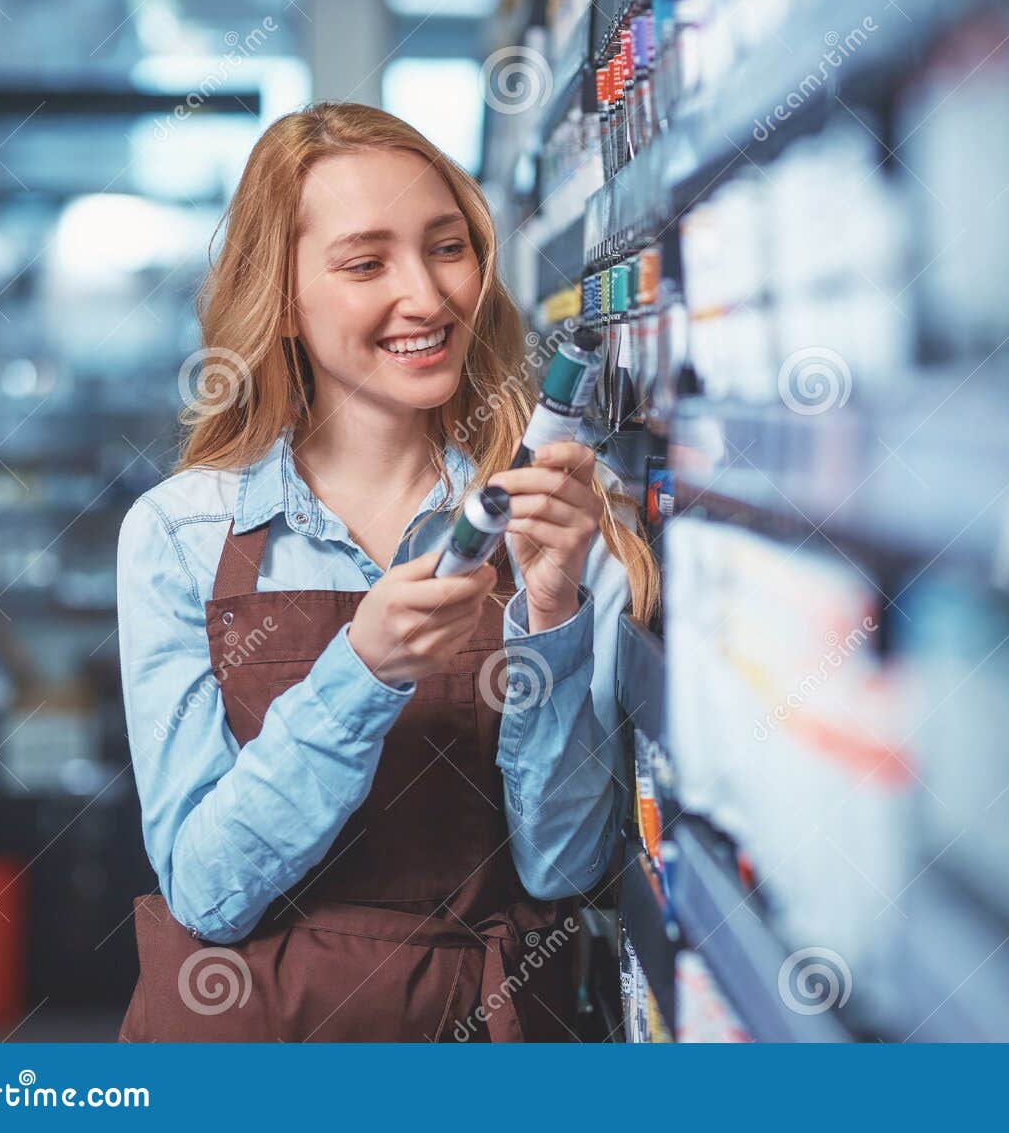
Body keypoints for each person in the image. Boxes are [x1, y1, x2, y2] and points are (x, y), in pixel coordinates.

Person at [114, 101, 657, 1042]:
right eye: (367, 263)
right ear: (282, 298)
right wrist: (359, 672)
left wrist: (552, 607)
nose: (429, 294)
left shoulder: (556, 511)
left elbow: (562, 865)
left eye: (447, 247)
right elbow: (206, 890)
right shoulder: (180, 533)